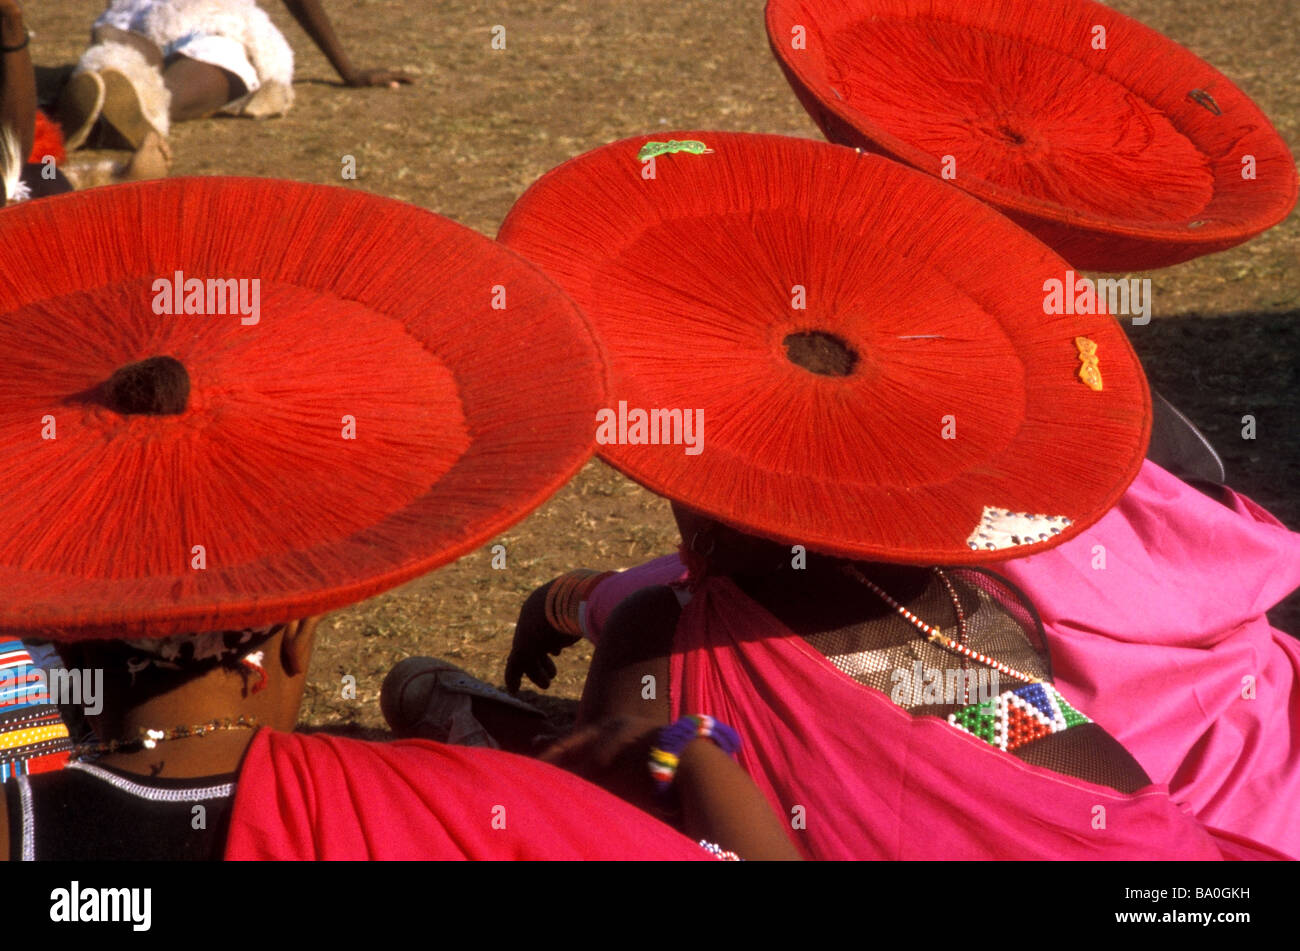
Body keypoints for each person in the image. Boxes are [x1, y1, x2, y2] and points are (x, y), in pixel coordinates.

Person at [497, 130, 1289, 859]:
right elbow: (1132, 831)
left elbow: (591, 827)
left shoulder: (662, 635)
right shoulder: (973, 606)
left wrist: (685, 748)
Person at [0, 176, 794, 861]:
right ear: (298, 632)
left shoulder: (20, 825)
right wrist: (698, 755)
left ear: (60, 625)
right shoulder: (468, 807)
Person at [55, 0, 414, 154]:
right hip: (145, 19)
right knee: (123, 48)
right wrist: (346, 71)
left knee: (217, 54)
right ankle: (120, 104)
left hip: (209, 18)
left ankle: (121, 103)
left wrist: (347, 69)